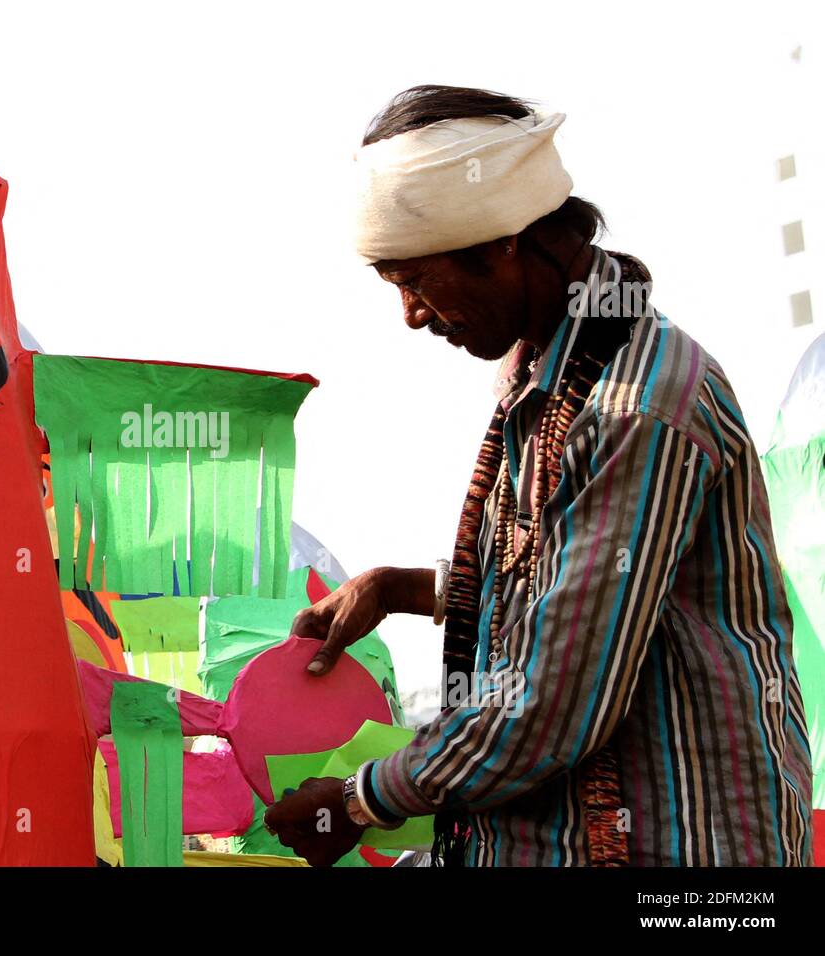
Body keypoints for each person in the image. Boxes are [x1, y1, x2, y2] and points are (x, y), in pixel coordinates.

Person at [263, 85, 814, 867]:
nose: (412, 316)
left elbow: (555, 699)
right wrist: (401, 589)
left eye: (413, 281)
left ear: (503, 243)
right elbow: (559, 585)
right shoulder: (554, 388)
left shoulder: (636, 404)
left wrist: (361, 800)